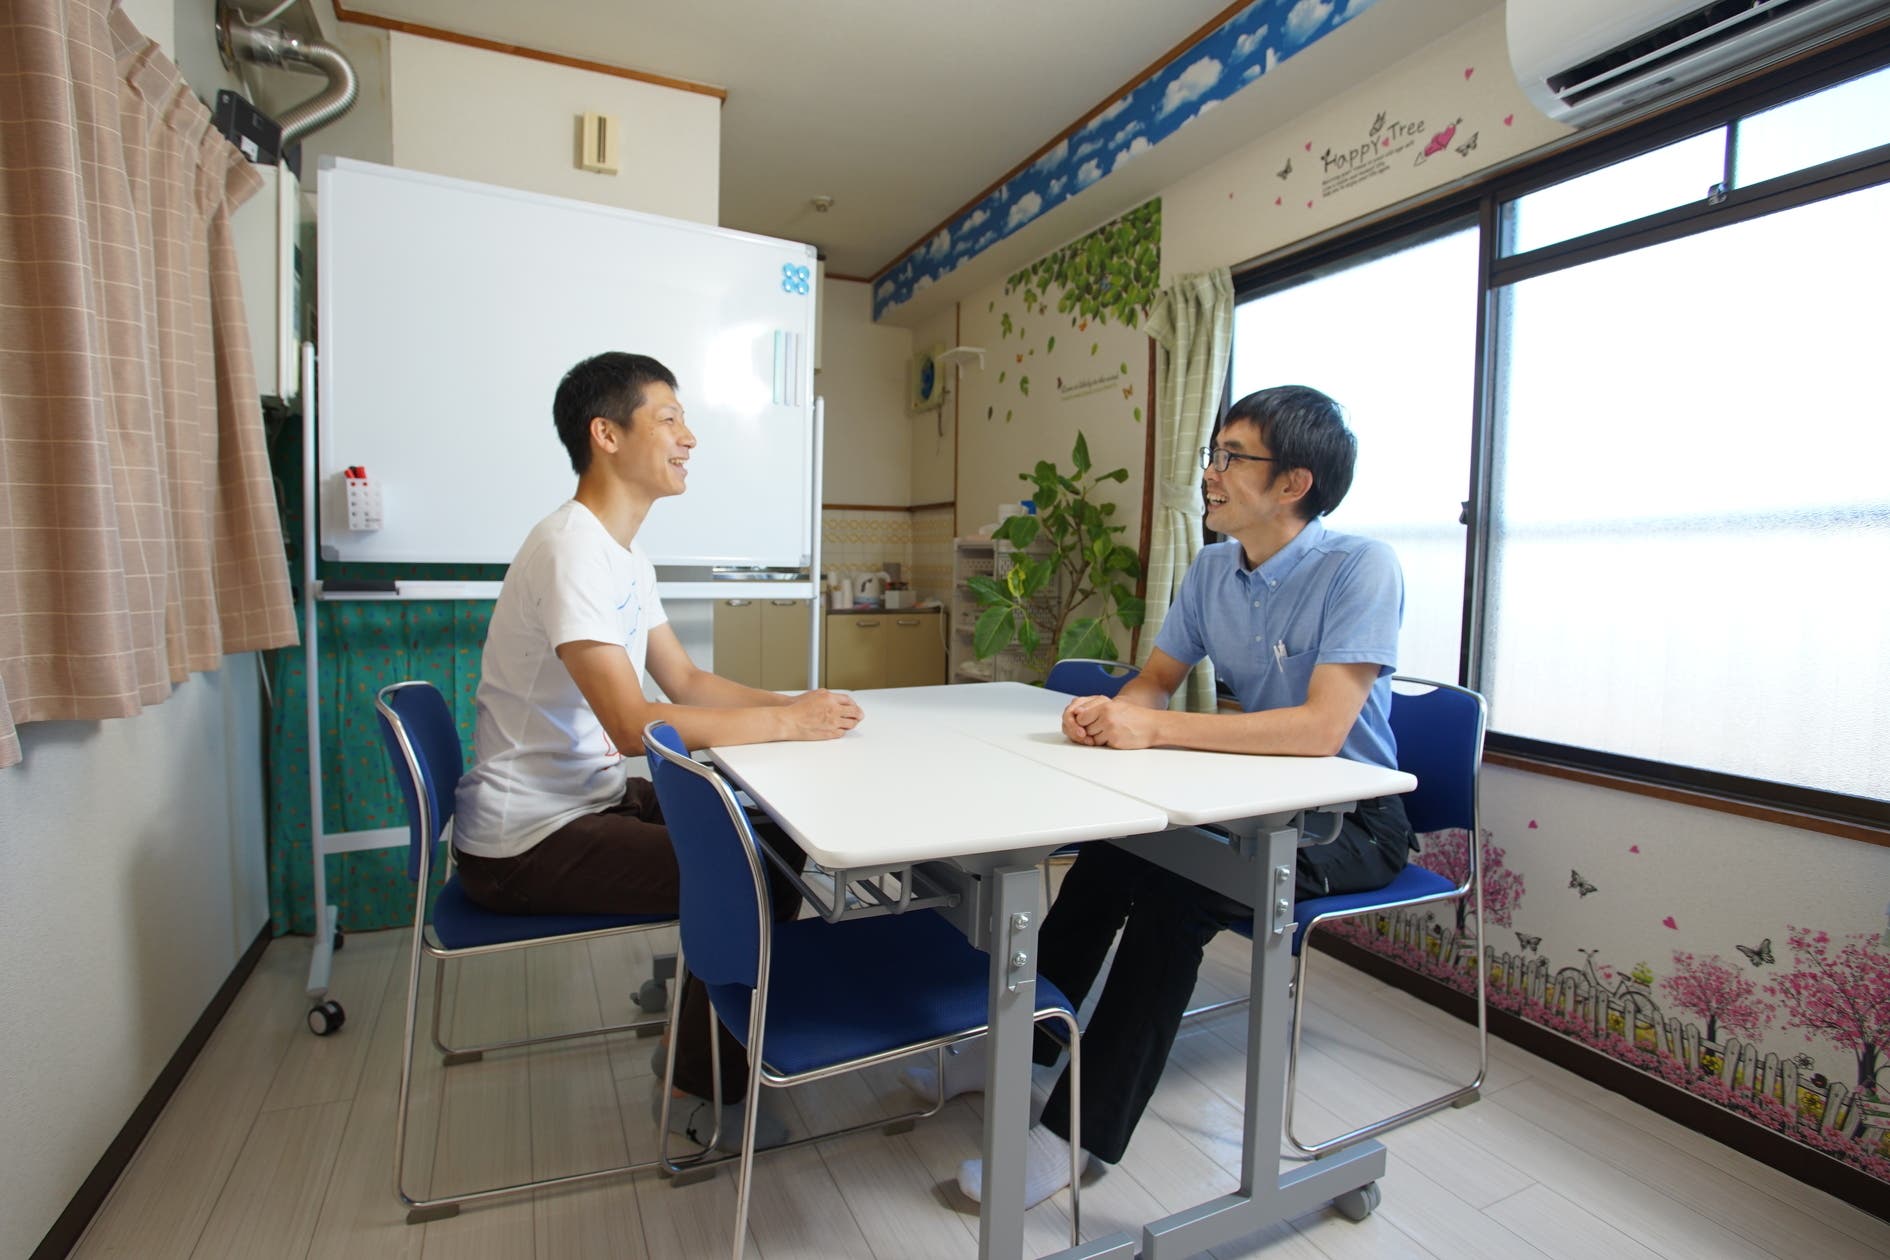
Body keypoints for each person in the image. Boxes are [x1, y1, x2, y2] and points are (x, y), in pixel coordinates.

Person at [942, 384, 1416, 1207]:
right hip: (1252, 799)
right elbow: (1156, 681)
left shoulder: (1359, 567)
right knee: (1111, 854)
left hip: (1353, 821)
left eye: (1233, 457)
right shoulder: (1212, 567)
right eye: (1213, 453)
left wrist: (1155, 728)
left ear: (1293, 483)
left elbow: (1321, 731)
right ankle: (1018, 1051)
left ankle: (1073, 1139)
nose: (1210, 472)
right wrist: (1113, 712)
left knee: (1179, 892)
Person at [452, 351, 862, 1149]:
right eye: (669, 418)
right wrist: (785, 727)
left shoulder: (622, 554)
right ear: (606, 434)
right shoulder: (571, 549)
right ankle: (696, 1089)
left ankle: (698, 1026)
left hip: (584, 801)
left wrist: (794, 705)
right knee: (747, 872)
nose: (689, 437)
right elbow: (630, 724)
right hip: (525, 841)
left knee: (769, 837)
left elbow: (687, 679)